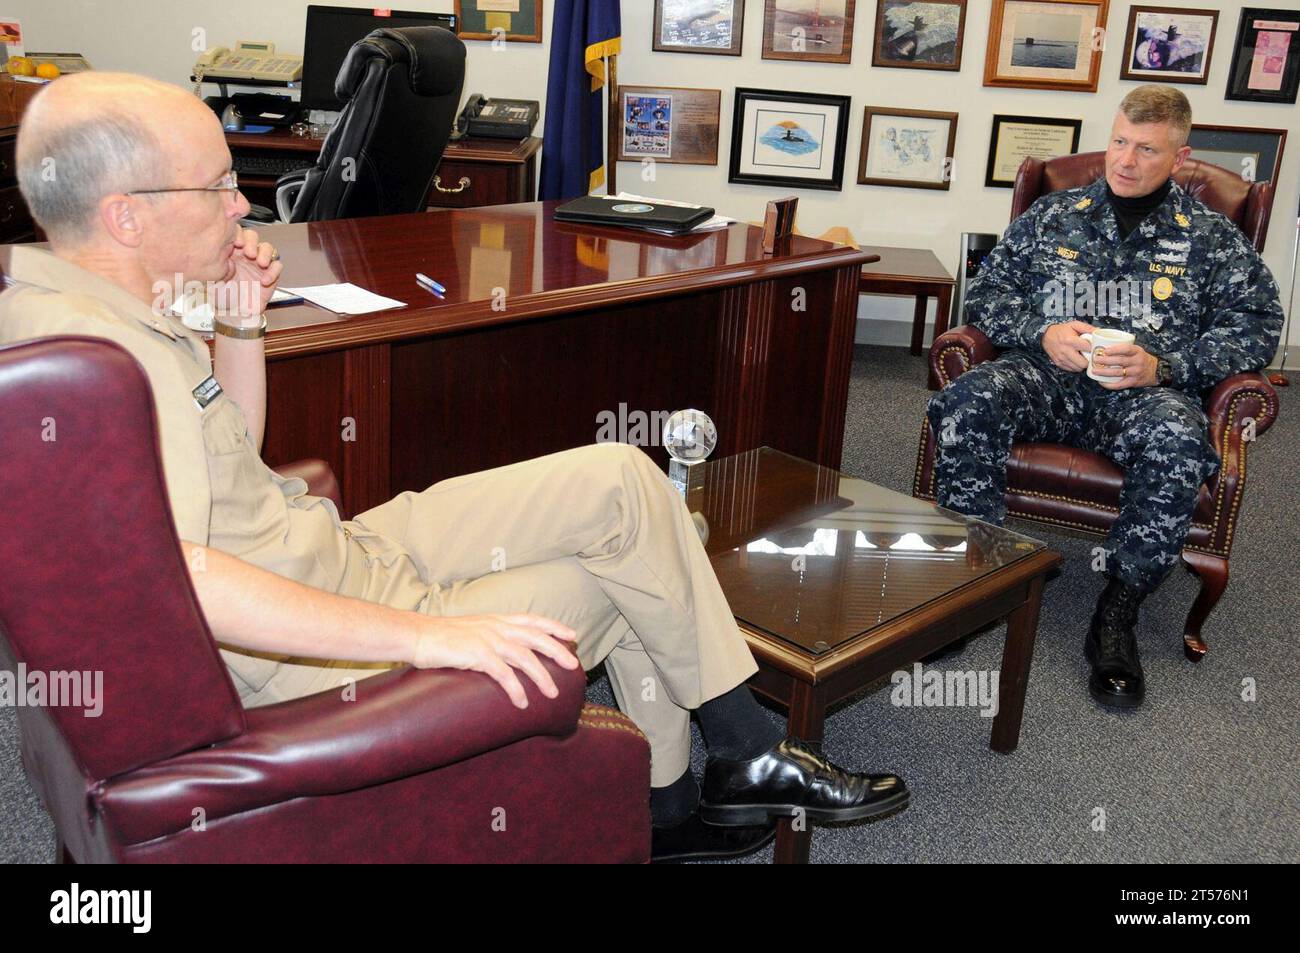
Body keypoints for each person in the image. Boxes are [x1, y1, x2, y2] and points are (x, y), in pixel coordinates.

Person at [0, 73, 909, 862]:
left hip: (332, 547)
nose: (243, 203)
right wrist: (429, 640)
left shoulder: (95, 303)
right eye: (219, 186)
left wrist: (241, 320)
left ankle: (733, 754)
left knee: (623, 481)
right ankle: (682, 796)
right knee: (635, 569)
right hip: (304, 641)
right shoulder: (87, 369)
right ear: (126, 215)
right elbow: (182, 584)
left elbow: (230, 447)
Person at [926, 85, 1283, 709]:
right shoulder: (1054, 214)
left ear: (1179, 157)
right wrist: (1042, 329)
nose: (1125, 159)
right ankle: (972, 583)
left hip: (1141, 396)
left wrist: (1165, 364)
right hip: (1046, 378)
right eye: (1119, 141)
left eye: (1146, 149)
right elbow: (986, 294)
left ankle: (1116, 614)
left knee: (1178, 446)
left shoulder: (1212, 238)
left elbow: (1256, 326)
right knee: (968, 401)